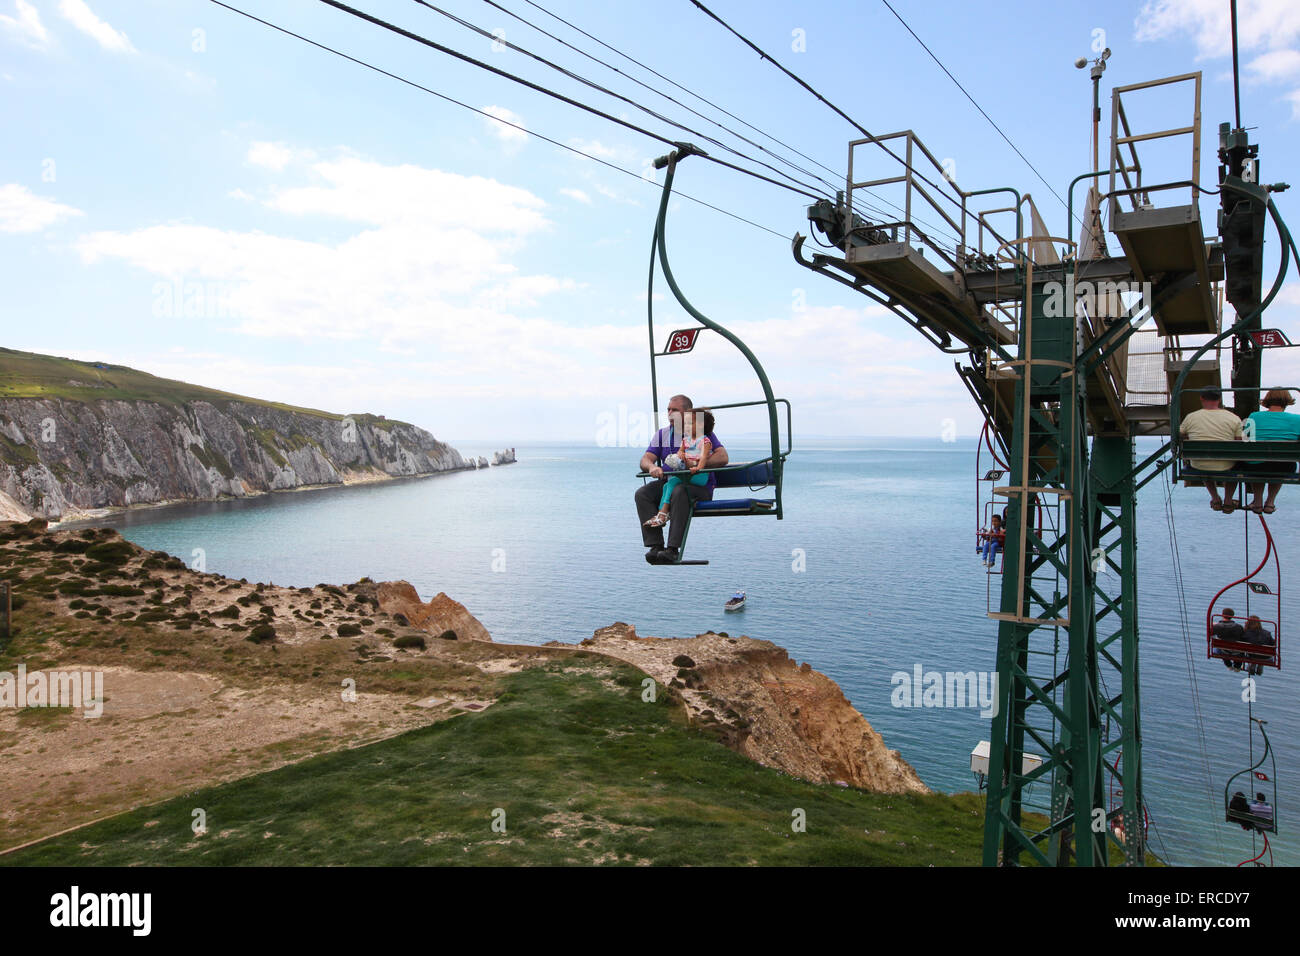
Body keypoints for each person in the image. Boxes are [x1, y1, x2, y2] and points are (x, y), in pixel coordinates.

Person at [636, 394, 728, 564]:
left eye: (675, 411)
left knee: (679, 491)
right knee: (643, 493)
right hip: (670, 482)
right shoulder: (662, 434)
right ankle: (656, 545)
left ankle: (672, 549)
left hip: (697, 487)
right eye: (668, 410)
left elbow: (722, 457)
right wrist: (652, 467)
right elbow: (645, 459)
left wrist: (696, 463)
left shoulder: (700, 434)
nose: (670, 413)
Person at [644, 408, 716, 528]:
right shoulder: (686, 440)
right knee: (667, 485)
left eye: (690, 424)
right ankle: (661, 514)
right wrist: (680, 455)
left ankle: (663, 513)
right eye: (686, 424)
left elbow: (704, 458)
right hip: (687, 474)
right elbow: (680, 452)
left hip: (699, 476)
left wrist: (698, 468)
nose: (686, 426)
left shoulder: (705, 441)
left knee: (673, 483)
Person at [1179, 386, 1243, 512]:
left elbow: (1180, 434)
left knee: (1204, 461)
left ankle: (1215, 498)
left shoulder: (1191, 417)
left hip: (1198, 464)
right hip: (1226, 465)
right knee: (1237, 464)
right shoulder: (1233, 418)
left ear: (1201, 398)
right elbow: (1239, 441)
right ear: (1219, 399)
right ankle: (1228, 499)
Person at [1245, 388, 1300, 514]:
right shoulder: (1297, 419)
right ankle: (1270, 502)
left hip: (1255, 466)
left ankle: (1257, 501)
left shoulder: (1254, 416)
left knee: (1256, 461)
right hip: (1284, 466)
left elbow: (1245, 438)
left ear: (1267, 400)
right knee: (1280, 461)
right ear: (1287, 401)